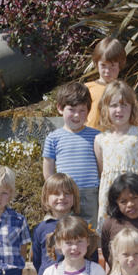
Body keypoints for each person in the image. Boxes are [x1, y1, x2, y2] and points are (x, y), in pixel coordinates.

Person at [94, 79, 138, 230]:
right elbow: (103, 172)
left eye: (124, 105)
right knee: (113, 231)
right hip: (111, 194)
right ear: (105, 108)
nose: (119, 110)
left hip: (135, 193)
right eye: (113, 105)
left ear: (132, 108)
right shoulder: (101, 139)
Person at [42, 81, 101, 229]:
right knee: (65, 230)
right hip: (64, 194)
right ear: (60, 108)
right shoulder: (53, 137)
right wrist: (54, 192)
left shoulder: (97, 136)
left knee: (90, 231)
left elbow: (102, 166)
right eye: (72, 109)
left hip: (90, 193)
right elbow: (48, 169)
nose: (77, 115)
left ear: (89, 110)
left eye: (82, 110)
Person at [86, 37, 126, 130]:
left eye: (112, 66)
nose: (107, 71)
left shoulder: (123, 91)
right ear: (96, 64)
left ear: (120, 65)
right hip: (89, 138)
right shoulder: (87, 88)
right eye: (103, 65)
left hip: (113, 139)